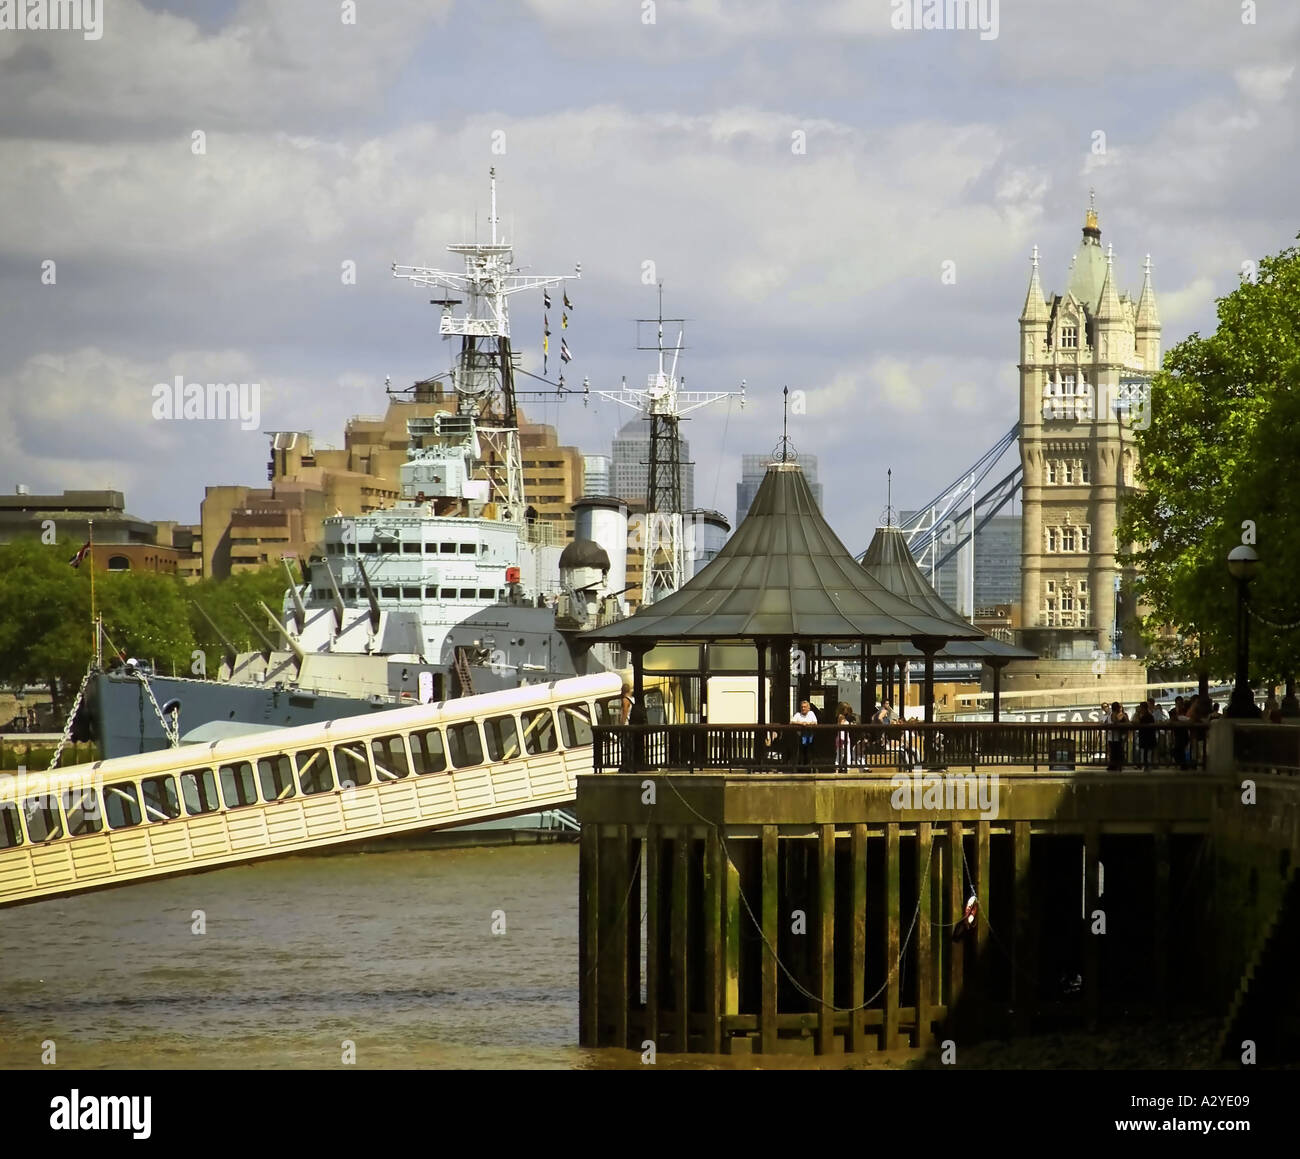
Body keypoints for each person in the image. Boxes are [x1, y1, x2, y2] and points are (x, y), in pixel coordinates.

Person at [792, 699, 818, 769]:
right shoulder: (797, 714)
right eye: (802, 707)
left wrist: (808, 724)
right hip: (799, 737)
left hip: (810, 737)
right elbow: (792, 722)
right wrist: (801, 723)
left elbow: (815, 722)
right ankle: (800, 768)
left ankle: (809, 767)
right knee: (800, 752)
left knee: (809, 752)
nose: (803, 708)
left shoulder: (811, 713)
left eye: (805, 707)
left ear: (808, 708)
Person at [1106, 700, 1128, 770]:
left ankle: (1113, 765)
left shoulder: (1110, 715)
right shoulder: (1113, 715)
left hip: (1112, 737)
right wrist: (1123, 722)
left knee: (1113, 753)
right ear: (1117, 708)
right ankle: (1115, 766)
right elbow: (1115, 722)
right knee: (1116, 752)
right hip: (1115, 737)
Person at [1135, 700, 1156, 769]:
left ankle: (1146, 766)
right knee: (1145, 753)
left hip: (1146, 737)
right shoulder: (1148, 716)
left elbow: (1138, 722)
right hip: (1146, 737)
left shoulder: (1147, 716)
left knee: (1146, 754)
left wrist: (1138, 715)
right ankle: (1146, 766)